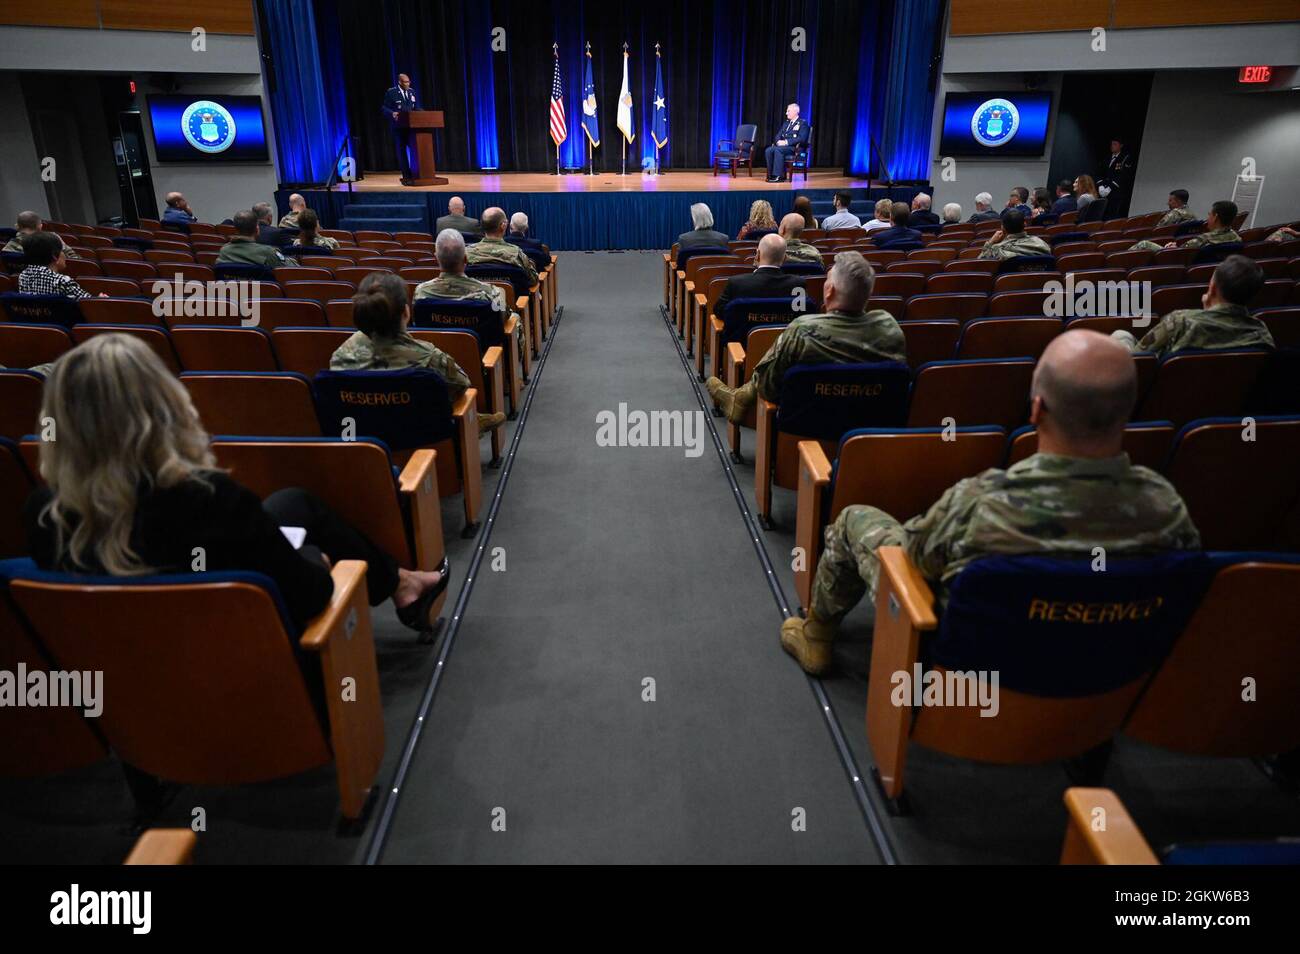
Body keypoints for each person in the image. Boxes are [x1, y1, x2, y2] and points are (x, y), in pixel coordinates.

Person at [779, 330, 1202, 674]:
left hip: (974, 669)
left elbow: (917, 556)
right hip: (1106, 677)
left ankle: (817, 633)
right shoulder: (1171, 509)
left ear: (1035, 410)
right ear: (1129, 411)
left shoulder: (983, 501)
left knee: (856, 518)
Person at [25, 333, 450, 635]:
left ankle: (403, 582)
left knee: (293, 502)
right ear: (164, 407)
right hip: (243, 667)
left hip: (126, 691)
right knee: (306, 544)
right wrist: (311, 559)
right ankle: (402, 584)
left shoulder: (44, 512)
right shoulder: (208, 500)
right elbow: (311, 595)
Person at [705, 251, 906, 423]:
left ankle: (740, 398)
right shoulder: (890, 328)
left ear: (829, 291)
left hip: (806, 427)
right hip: (873, 424)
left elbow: (768, 387)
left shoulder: (803, 330)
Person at [334, 271, 506, 435]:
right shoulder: (428, 356)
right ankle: (475, 421)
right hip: (422, 447)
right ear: (406, 313)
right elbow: (463, 384)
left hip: (363, 443)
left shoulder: (340, 356)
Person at [1112, 255, 1273, 357]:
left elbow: (1139, 358)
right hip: (1225, 401)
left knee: (1121, 335)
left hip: (1169, 395)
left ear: (1213, 288)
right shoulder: (1261, 332)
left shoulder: (1180, 321)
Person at [416, 229, 524, 356]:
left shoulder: (420, 293)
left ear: (436, 258)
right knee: (514, 319)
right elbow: (504, 315)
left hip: (433, 367)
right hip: (483, 362)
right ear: (466, 258)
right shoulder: (491, 292)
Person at [715, 234, 807, 316]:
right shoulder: (798, 285)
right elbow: (802, 316)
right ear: (785, 258)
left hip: (743, 335)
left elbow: (719, 312)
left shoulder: (736, 283)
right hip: (785, 334)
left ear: (758, 255)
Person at [16, 232, 104, 299]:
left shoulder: (23, 276)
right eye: (62, 251)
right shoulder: (62, 281)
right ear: (55, 256)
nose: (65, 255)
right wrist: (100, 299)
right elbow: (89, 304)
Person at [1130, 199, 1241, 252]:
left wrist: (1172, 247)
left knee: (1144, 244)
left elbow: (1180, 253)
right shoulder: (1237, 239)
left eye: (1209, 215)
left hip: (1176, 263)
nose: (1208, 218)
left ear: (1216, 217)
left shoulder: (1204, 239)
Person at [467, 207, 538, 285]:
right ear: (503, 226)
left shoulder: (466, 253)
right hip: (511, 297)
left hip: (474, 296)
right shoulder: (516, 254)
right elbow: (533, 279)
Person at [216, 210, 287, 269]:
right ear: (257, 229)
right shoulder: (268, 252)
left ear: (236, 230)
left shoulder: (224, 251)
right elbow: (289, 269)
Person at [976, 208, 1052, 261]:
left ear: (1003, 228)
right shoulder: (1042, 244)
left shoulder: (997, 250)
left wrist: (990, 242)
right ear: (1025, 224)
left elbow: (981, 262)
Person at [382, 73, 419, 179]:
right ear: (400, 82)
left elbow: (415, 107)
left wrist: (424, 114)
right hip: (399, 127)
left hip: (412, 128)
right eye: (405, 82)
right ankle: (406, 176)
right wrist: (392, 113)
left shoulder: (412, 92)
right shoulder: (392, 92)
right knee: (402, 152)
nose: (408, 84)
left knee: (415, 150)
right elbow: (384, 108)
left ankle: (415, 173)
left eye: (409, 82)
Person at [764, 103, 810, 182]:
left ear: (795, 112)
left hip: (795, 148)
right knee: (768, 150)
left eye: (788, 111)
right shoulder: (786, 123)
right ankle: (771, 175)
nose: (786, 113)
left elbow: (802, 138)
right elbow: (778, 135)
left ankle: (779, 176)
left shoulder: (803, 123)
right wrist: (778, 141)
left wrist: (786, 142)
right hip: (784, 147)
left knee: (778, 150)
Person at [4, 211, 79, 258]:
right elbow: (73, 257)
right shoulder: (53, 238)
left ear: (17, 226)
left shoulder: (9, 247)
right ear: (40, 226)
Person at [1097, 138, 1135, 218]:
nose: (1112, 146)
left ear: (1121, 146)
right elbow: (1100, 172)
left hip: (1115, 193)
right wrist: (1100, 185)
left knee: (1112, 216)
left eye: (1115, 144)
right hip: (1103, 190)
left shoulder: (1125, 158)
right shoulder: (1106, 157)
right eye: (1111, 144)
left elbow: (1122, 175)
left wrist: (1110, 188)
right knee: (1100, 214)